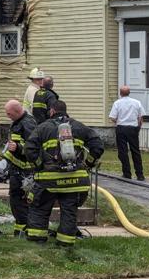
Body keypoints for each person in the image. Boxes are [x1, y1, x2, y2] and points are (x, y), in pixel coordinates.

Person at [24, 100, 103, 247]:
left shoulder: (43, 127)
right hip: (74, 182)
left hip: (49, 181)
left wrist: (39, 165)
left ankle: (36, 241)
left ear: (52, 111)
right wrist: (89, 163)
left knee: (40, 209)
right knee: (69, 212)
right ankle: (65, 244)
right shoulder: (79, 127)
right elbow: (98, 146)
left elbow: (29, 149)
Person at [0, 98, 37, 237]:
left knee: (19, 201)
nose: (7, 116)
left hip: (24, 171)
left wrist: (19, 148)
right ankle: (19, 231)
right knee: (16, 201)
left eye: (9, 113)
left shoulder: (28, 124)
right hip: (17, 168)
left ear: (16, 111)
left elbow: (33, 145)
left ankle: (23, 230)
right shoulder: (18, 122)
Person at [107, 85, 146, 180]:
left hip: (121, 128)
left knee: (123, 152)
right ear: (129, 92)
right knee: (135, 151)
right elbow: (140, 117)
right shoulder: (137, 102)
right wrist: (138, 128)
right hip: (133, 128)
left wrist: (118, 122)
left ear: (120, 93)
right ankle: (140, 174)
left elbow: (112, 117)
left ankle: (127, 173)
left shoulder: (117, 103)